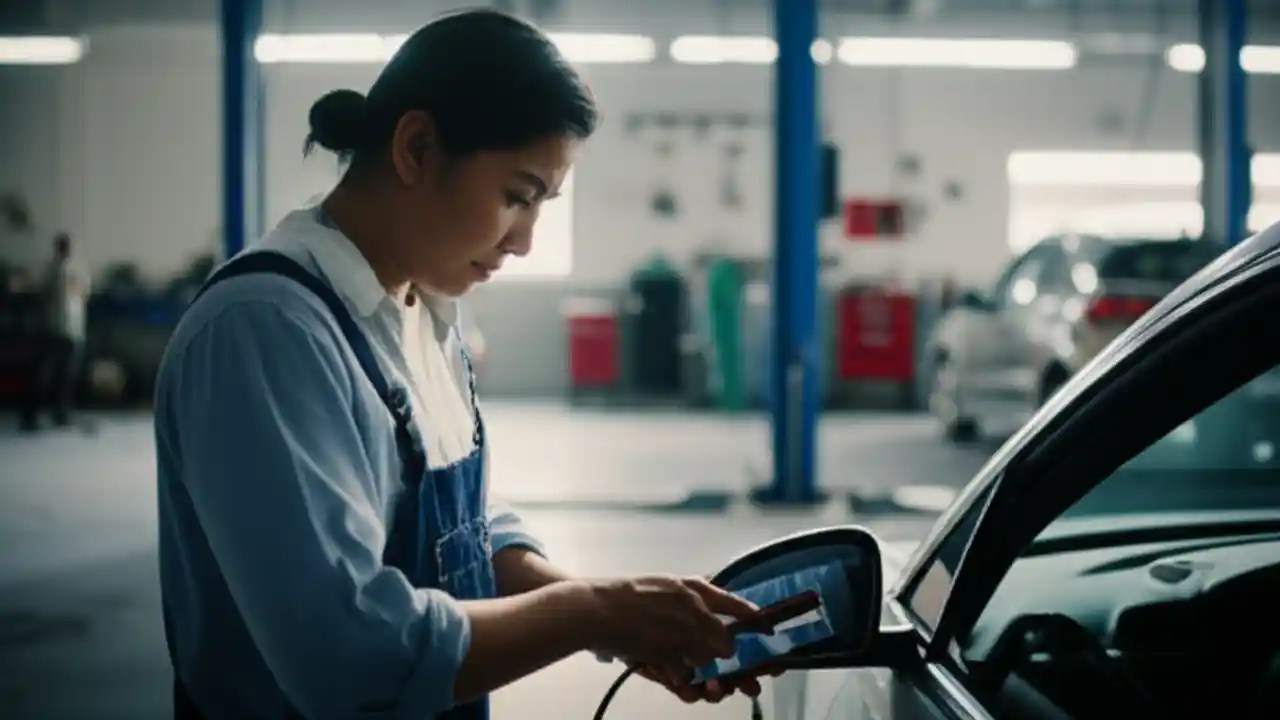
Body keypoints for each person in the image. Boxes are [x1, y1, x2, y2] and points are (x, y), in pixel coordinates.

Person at [155, 11, 769, 720]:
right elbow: (349, 657)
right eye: (517, 196)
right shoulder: (268, 331)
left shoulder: (421, 306)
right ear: (416, 148)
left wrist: (623, 621)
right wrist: (590, 613)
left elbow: (465, 530)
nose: (526, 242)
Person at [21, 232, 89, 430]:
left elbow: (83, 294)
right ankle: (33, 416)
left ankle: (60, 414)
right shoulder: (52, 270)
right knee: (45, 375)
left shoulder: (74, 270)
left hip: (71, 330)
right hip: (55, 330)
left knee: (65, 376)